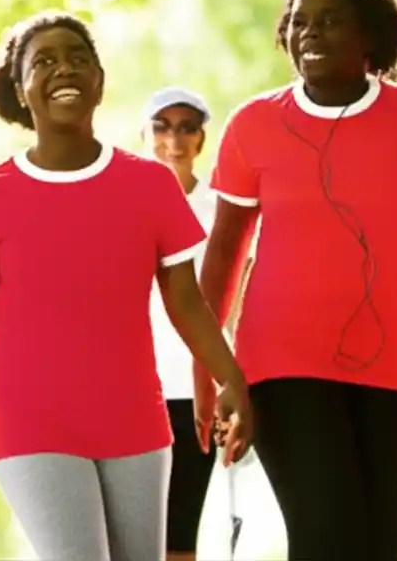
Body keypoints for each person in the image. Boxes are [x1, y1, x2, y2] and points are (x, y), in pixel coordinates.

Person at [0, 12, 252, 561]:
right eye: (44, 61)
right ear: (21, 88)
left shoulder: (149, 184)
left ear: (100, 81)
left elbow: (186, 302)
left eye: (78, 58)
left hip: (135, 420)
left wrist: (230, 377)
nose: (64, 69)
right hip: (32, 424)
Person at [199, 0, 397, 561]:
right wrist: (213, 372)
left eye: (330, 21)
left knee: (374, 544)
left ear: (370, 35)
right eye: (300, 22)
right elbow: (224, 252)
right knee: (326, 533)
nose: (311, 33)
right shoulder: (254, 124)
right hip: (283, 363)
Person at [142, 86, 221, 561]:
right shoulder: (122, 200)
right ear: (145, 135)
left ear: (200, 140)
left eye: (187, 127)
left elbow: (239, 299)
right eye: (162, 126)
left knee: (180, 531)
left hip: (199, 391)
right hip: (135, 388)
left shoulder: (220, 209)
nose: (174, 138)